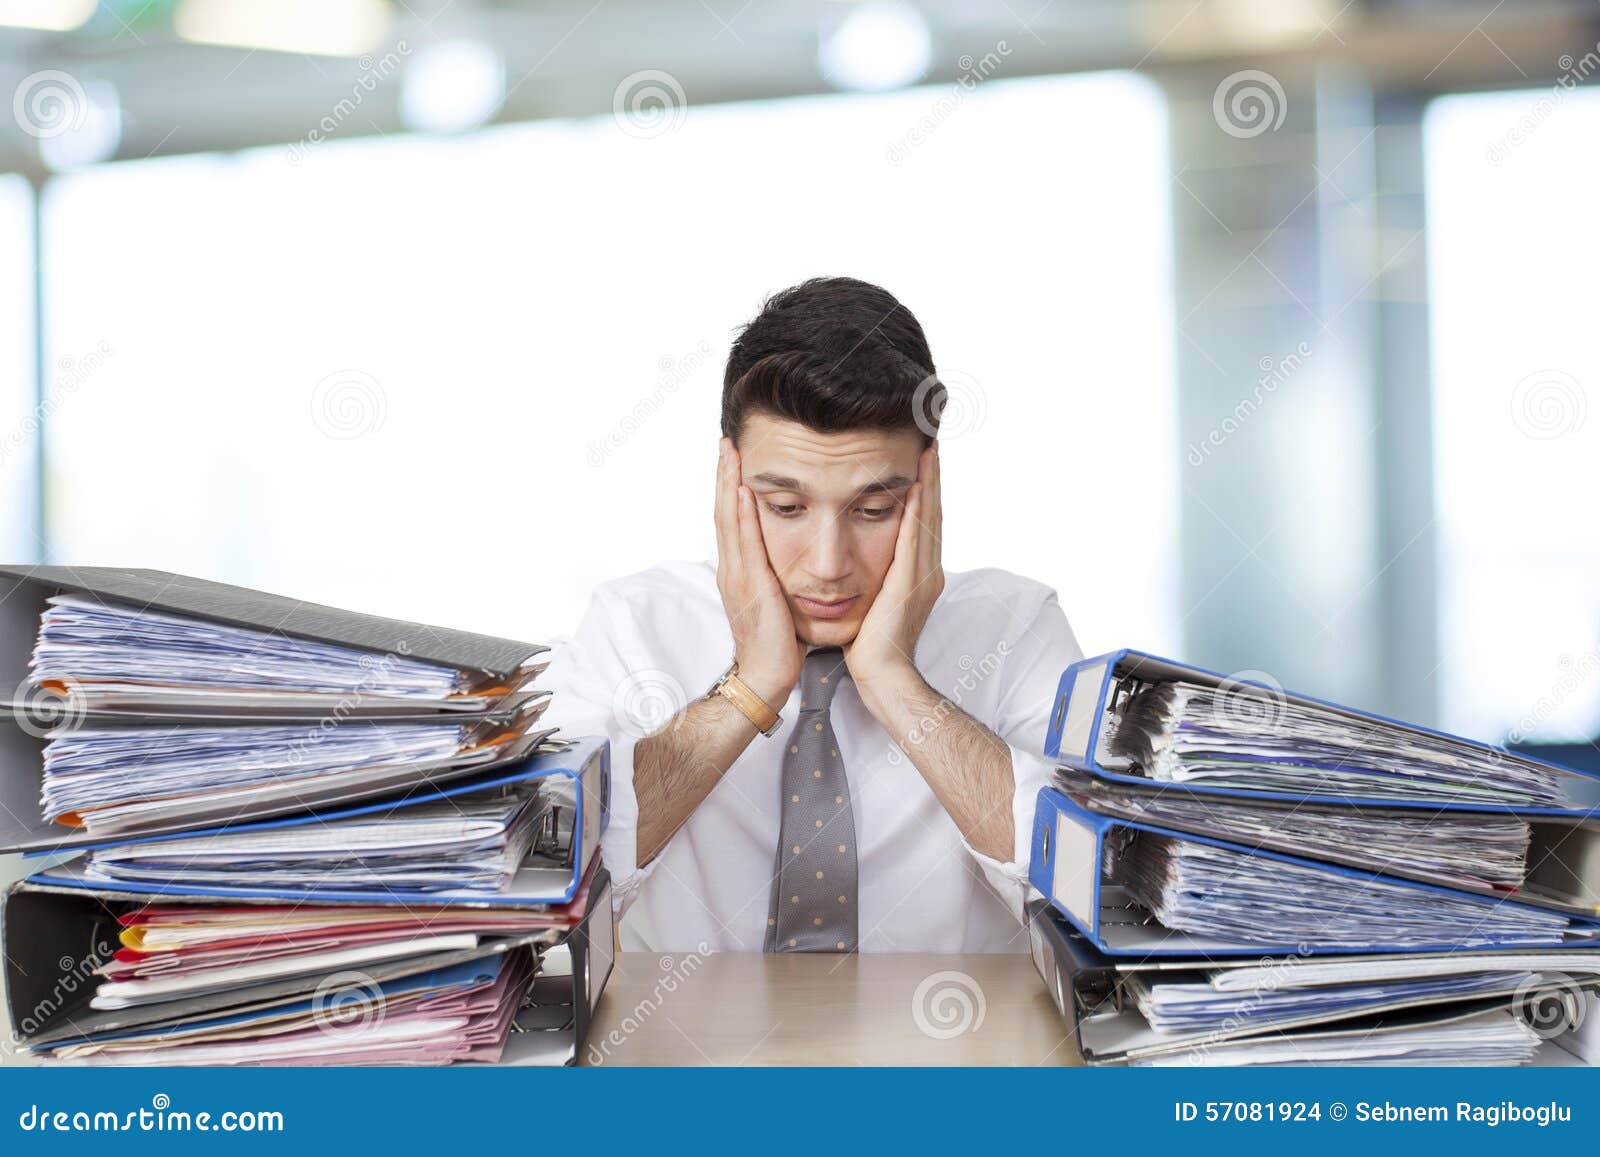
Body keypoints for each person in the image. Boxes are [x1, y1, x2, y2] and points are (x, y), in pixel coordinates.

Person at [543, 277, 1083, 952]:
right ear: (730, 481)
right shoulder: (633, 624)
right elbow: (546, 881)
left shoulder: (1016, 627)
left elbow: (1091, 891)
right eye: (787, 507)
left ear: (928, 486)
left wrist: (894, 683)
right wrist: (751, 687)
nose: (828, 564)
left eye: (874, 509)